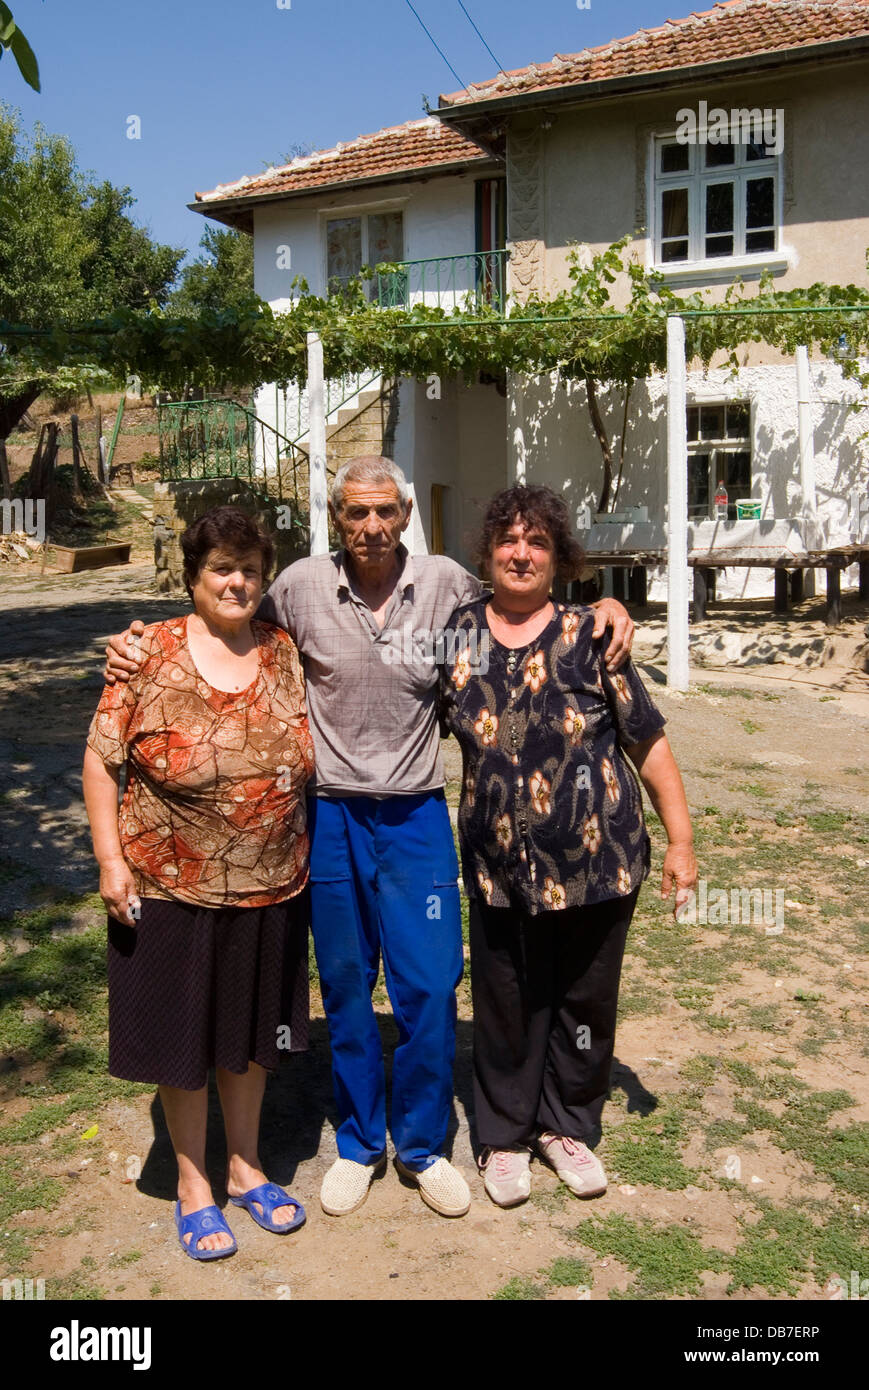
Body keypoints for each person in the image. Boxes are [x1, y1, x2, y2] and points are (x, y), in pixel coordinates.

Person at [103, 457, 635, 1220]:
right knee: (348, 988)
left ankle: (421, 1145)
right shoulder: (299, 588)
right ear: (334, 516)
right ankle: (358, 1142)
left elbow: (524, 608)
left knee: (425, 986)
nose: (372, 527)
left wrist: (605, 608)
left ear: (408, 512)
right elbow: (226, 627)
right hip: (328, 821)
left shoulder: (450, 583)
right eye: (355, 513)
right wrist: (133, 641)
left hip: (415, 815)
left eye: (385, 511)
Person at [439, 485, 698, 1208]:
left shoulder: (594, 634)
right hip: (497, 870)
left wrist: (680, 841)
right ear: (488, 552)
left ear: (558, 558)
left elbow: (646, 741)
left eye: (538, 542)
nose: (520, 553)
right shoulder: (456, 632)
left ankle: (566, 1125)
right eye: (508, 540)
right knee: (505, 1001)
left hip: (598, 864)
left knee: (584, 1001)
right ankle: (501, 1136)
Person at [84, 506, 314, 1259]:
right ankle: (193, 1183)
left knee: (247, 1037)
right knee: (184, 1038)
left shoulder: (283, 650)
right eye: (222, 567)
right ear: (193, 576)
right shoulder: (146, 652)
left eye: (250, 567)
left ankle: (246, 1168)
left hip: (271, 884)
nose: (237, 580)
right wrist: (110, 861)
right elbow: (102, 760)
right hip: (169, 885)